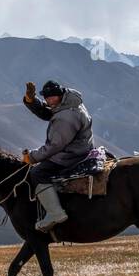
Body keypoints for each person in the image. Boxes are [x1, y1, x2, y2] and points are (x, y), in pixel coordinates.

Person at [20, 80, 95, 231]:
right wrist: (31, 100)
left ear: (59, 95)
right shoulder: (70, 102)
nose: (49, 101)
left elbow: (55, 145)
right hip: (82, 148)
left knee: (37, 173)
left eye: (51, 97)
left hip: (71, 155)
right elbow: (49, 112)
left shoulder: (66, 117)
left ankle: (55, 213)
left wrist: (32, 157)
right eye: (46, 98)